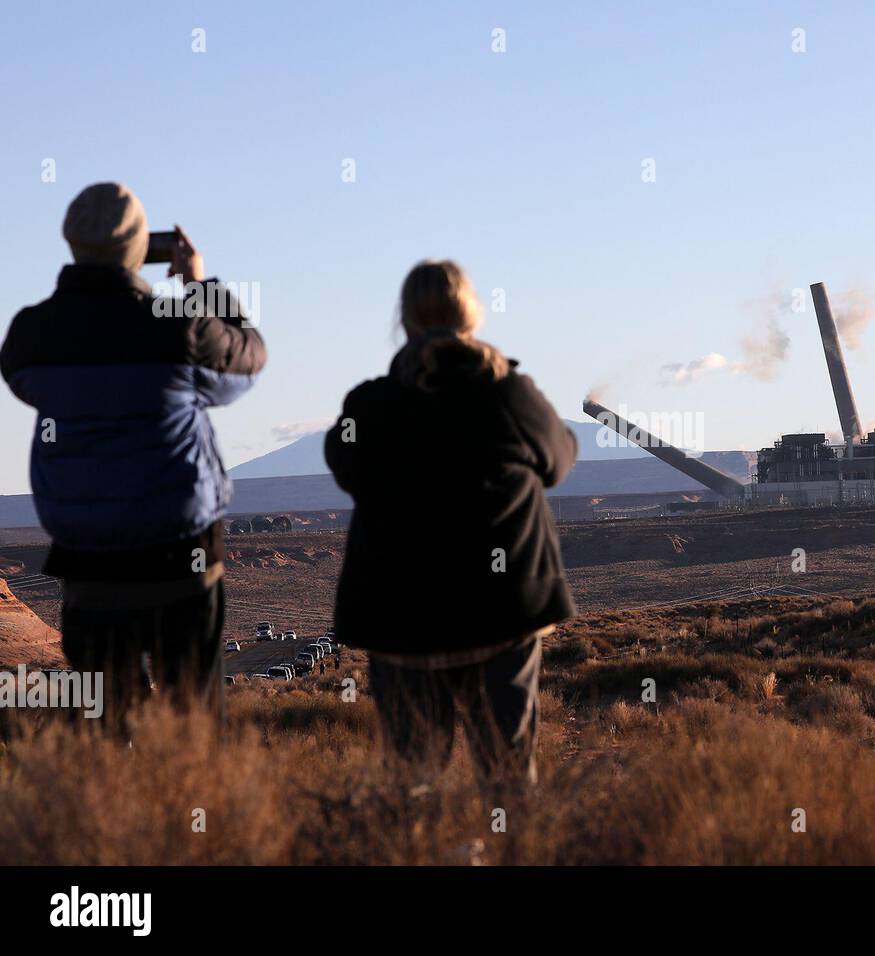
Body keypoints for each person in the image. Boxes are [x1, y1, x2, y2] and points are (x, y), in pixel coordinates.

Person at [0, 183, 266, 734]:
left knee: (103, 725)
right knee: (192, 720)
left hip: (89, 561)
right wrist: (198, 283)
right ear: (144, 247)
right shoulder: (179, 327)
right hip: (182, 558)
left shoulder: (33, 334)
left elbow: (26, 382)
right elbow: (248, 359)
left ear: (72, 244)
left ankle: (109, 814)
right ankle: (197, 812)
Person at [325, 260, 576, 788]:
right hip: (501, 618)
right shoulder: (511, 395)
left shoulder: (370, 406)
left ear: (405, 320)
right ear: (473, 315)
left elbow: (342, 463)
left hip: (401, 624)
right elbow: (559, 459)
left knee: (411, 782)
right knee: (508, 777)